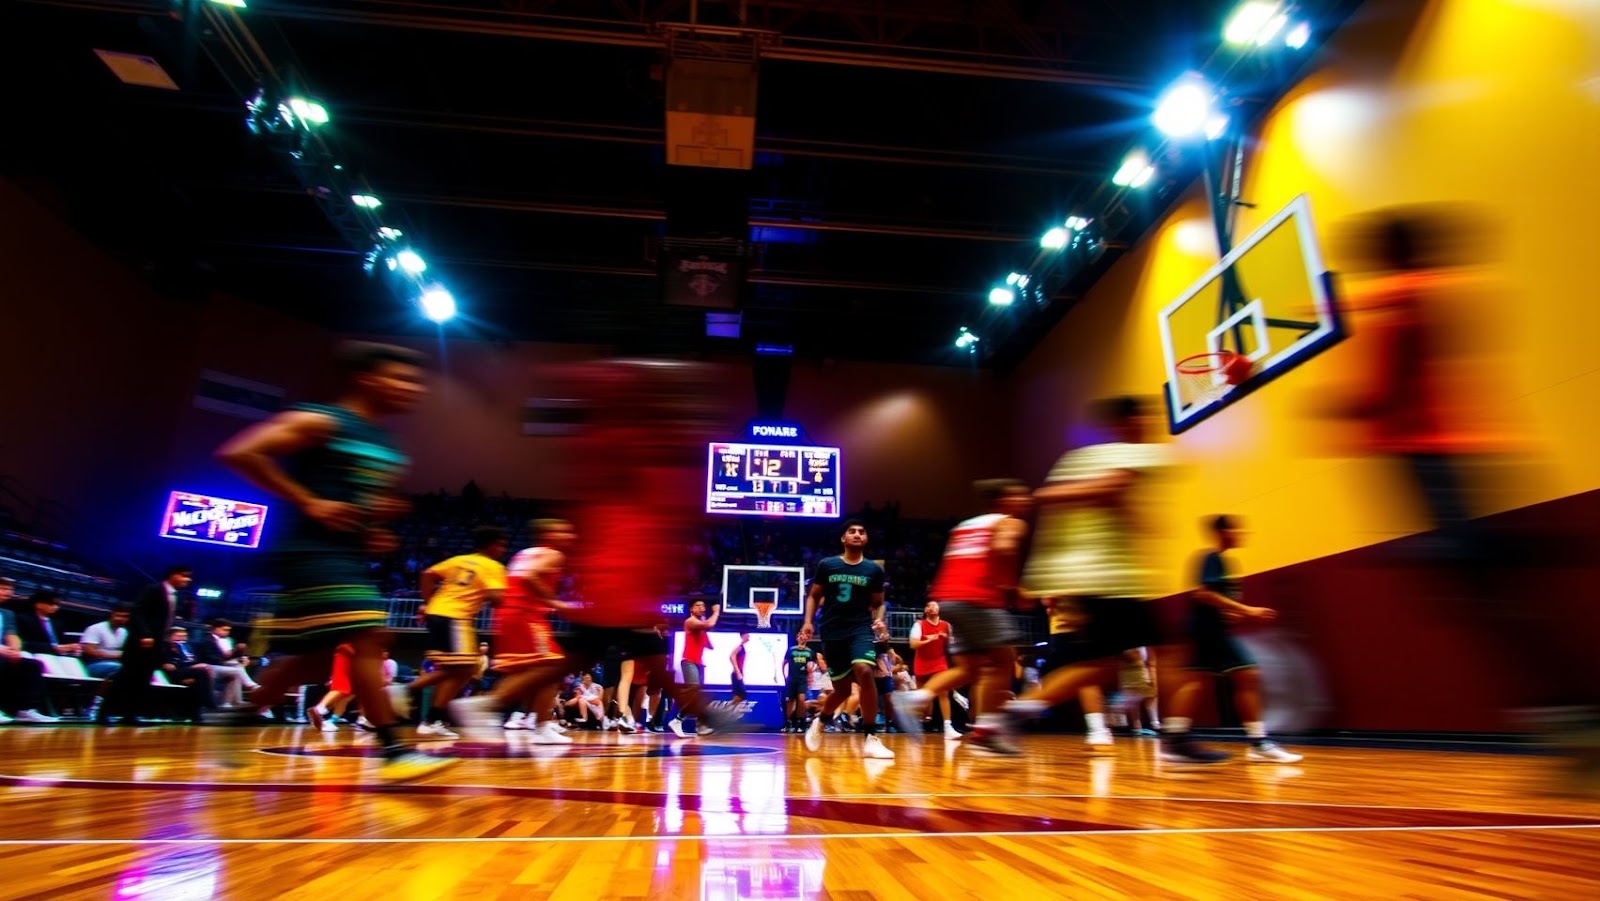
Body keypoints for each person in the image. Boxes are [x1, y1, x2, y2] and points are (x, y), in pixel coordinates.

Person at [215, 340, 453, 780]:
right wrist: (309, 501)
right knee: (369, 635)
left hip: (345, 553)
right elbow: (241, 452)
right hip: (309, 550)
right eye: (402, 378)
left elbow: (355, 502)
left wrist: (374, 526)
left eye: (416, 380)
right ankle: (393, 747)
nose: (413, 388)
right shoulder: (321, 419)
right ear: (368, 378)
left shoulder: (385, 441)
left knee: (317, 659)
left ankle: (238, 718)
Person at [1001, 397, 1228, 762]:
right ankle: (1176, 737)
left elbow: (1098, 494)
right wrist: (1045, 497)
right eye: (1146, 418)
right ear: (1130, 421)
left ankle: (1010, 718)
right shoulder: (1128, 456)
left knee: (1101, 665)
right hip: (1111, 581)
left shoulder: (1079, 459)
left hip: (1092, 581)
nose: (1151, 424)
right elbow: (1106, 487)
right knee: (1170, 653)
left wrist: (1126, 511)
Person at [894, 480, 1031, 755]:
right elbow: (1004, 549)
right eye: (1020, 495)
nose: (1026, 500)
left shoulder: (965, 526)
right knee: (1004, 662)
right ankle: (987, 733)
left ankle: (916, 698)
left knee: (970, 669)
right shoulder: (1009, 522)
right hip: (979, 598)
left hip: (949, 599)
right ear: (1005, 499)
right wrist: (1015, 589)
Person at [1163, 516, 1303, 764]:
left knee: (1199, 681)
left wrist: (1231, 613)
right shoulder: (1211, 557)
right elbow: (1203, 593)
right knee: (1246, 673)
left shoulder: (1224, 562)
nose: (1240, 533)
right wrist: (1246, 610)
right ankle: (1259, 743)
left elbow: (1215, 600)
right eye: (1235, 529)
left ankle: (1175, 740)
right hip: (1207, 630)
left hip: (1208, 629)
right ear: (1221, 531)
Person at [450, 518, 578, 745]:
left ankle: (538, 723)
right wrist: (556, 603)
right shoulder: (553, 554)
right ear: (547, 535)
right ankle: (486, 705)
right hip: (524, 615)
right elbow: (530, 577)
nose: (569, 536)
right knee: (554, 667)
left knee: (534, 671)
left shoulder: (525, 553)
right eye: (562, 532)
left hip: (509, 615)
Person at [800, 519, 894, 760]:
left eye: (862, 532)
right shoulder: (827, 565)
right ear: (843, 538)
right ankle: (820, 721)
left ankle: (871, 737)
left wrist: (879, 620)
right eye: (851, 531)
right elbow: (814, 596)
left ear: (866, 539)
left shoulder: (873, 570)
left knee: (864, 670)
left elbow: (877, 602)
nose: (857, 534)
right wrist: (808, 622)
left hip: (859, 629)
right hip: (832, 631)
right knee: (841, 690)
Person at [405, 525, 510, 738]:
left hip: (438, 613)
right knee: (467, 667)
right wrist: (503, 591)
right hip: (456, 617)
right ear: (491, 546)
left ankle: (431, 719)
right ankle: (404, 693)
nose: (503, 550)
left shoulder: (459, 559)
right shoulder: (493, 566)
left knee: (460, 669)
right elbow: (498, 600)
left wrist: (428, 602)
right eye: (501, 545)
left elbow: (427, 574)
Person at [99, 565, 191, 725]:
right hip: (140, 643)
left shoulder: (176, 596)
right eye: (184, 576)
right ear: (172, 575)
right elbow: (138, 612)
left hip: (156, 645)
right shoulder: (154, 589)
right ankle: (104, 713)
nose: (187, 580)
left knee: (143, 681)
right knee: (124, 678)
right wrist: (145, 634)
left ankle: (130, 715)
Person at [0, 577, 56, 724]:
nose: (9, 592)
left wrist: (15, 650)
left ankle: (25, 710)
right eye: (4, 588)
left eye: (10, 589)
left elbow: (11, 634)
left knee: (32, 665)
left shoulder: (7, 613)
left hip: (4, 653)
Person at [666, 598, 720, 738]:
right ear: (691, 609)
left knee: (697, 696)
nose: (701, 607)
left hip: (699, 663)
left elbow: (710, 646)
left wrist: (703, 632)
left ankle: (700, 726)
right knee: (694, 692)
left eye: (703, 605)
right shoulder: (690, 621)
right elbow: (710, 624)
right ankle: (677, 720)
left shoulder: (700, 626)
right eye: (697, 605)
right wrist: (716, 612)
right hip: (689, 661)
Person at [908, 601, 959, 738]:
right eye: (930, 605)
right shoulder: (918, 625)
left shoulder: (946, 626)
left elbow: (952, 645)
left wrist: (947, 638)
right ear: (925, 610)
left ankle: (948, 726)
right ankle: (917, 722)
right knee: (924, 701)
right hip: (922, 664)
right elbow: (913, 644)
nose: (933, 607)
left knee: (943, 692)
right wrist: (929, 640)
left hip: (939, 663)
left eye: (935, 605)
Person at [192, 619, 261, 711]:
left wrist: (241, 658)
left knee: (235, 669)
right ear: (216, 629)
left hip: (225, 665)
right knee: (237, 669)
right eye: (225, 629)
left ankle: (230, 702)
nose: (227, 632)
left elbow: (232, 655)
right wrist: (228, 658)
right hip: (209, 666)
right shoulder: (206, 640)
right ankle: (250, 685)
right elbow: (211, 659)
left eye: (228, 630)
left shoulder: (229, 640)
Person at [161, 626, 212, 722]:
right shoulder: (164, 647)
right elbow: (167, 664)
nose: (182, 639)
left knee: (198, 679)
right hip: (170, 674)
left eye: (184, 636)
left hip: (186, 672)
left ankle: (196, 716)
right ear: (169, 637)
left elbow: (191, 661)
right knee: (201, 673)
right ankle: (207, 702)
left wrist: (196, 665)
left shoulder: (186, 648)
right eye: (178, 636)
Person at [15, 591, 82, 658]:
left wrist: (71, 649)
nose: (56, 607)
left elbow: (63, 643)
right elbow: (24, 643)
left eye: (57, 604)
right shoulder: (23, 619)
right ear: (38, 605)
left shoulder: (57, 624)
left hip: (58, 656)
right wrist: (53, 648)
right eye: (51, 604)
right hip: (37, 654)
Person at [80, 605, 131, 679]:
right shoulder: (95, 628)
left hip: (116, 663)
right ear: (112, 614)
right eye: (119, 616)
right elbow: (89, 650)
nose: (122, 619)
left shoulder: (124, 632)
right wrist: (116, 656)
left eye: (126, 617)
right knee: (120, 668)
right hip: (93, 664)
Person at [781, 634, 818, 732]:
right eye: (800, 636)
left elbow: (814, 664)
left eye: (804, 636)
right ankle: (788, 722)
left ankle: (799, 722)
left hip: (803, 679)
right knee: (790, 701)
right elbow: (784, 663)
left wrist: (811, 671)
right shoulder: (791, 650)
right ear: (797, 638)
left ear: (807, 639)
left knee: (801, 700)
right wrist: (784, 676)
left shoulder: (809, 651)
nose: (802, 638)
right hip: (792, 678)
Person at [728, 632, 750, 706]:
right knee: (742, 694)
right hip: (736, 674)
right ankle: (728, 709)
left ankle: (729, 710)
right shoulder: (739, 647)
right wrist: (737, 672)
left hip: (738, 673)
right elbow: (731, 656)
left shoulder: (742, 647)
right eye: (747, 634)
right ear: (742, 636)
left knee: (739, 695)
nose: (748, 636)